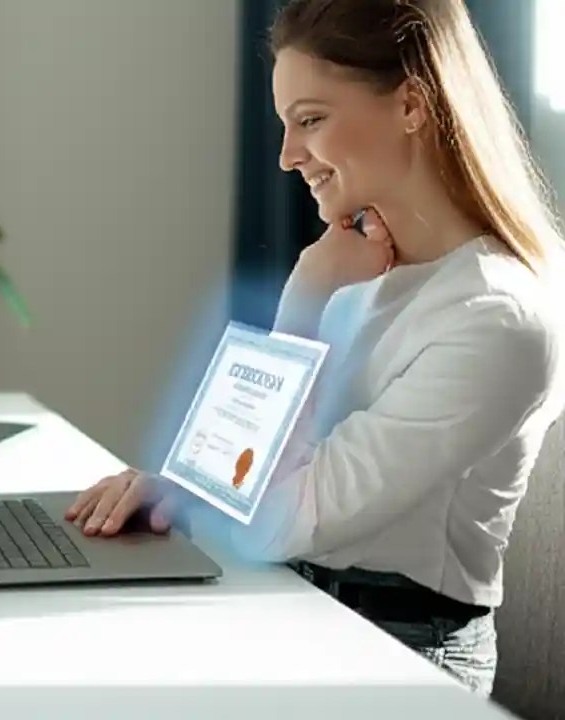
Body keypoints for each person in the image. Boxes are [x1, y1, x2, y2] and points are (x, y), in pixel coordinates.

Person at [66, 0, 565, 698]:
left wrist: (301, 305)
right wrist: (189, 491)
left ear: (413, 105)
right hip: (294, 612)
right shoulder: (360, 267)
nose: (286, 155)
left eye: (311, 120)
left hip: (401, 658)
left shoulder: (493, 318)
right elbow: (232, 469)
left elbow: (272, 522)